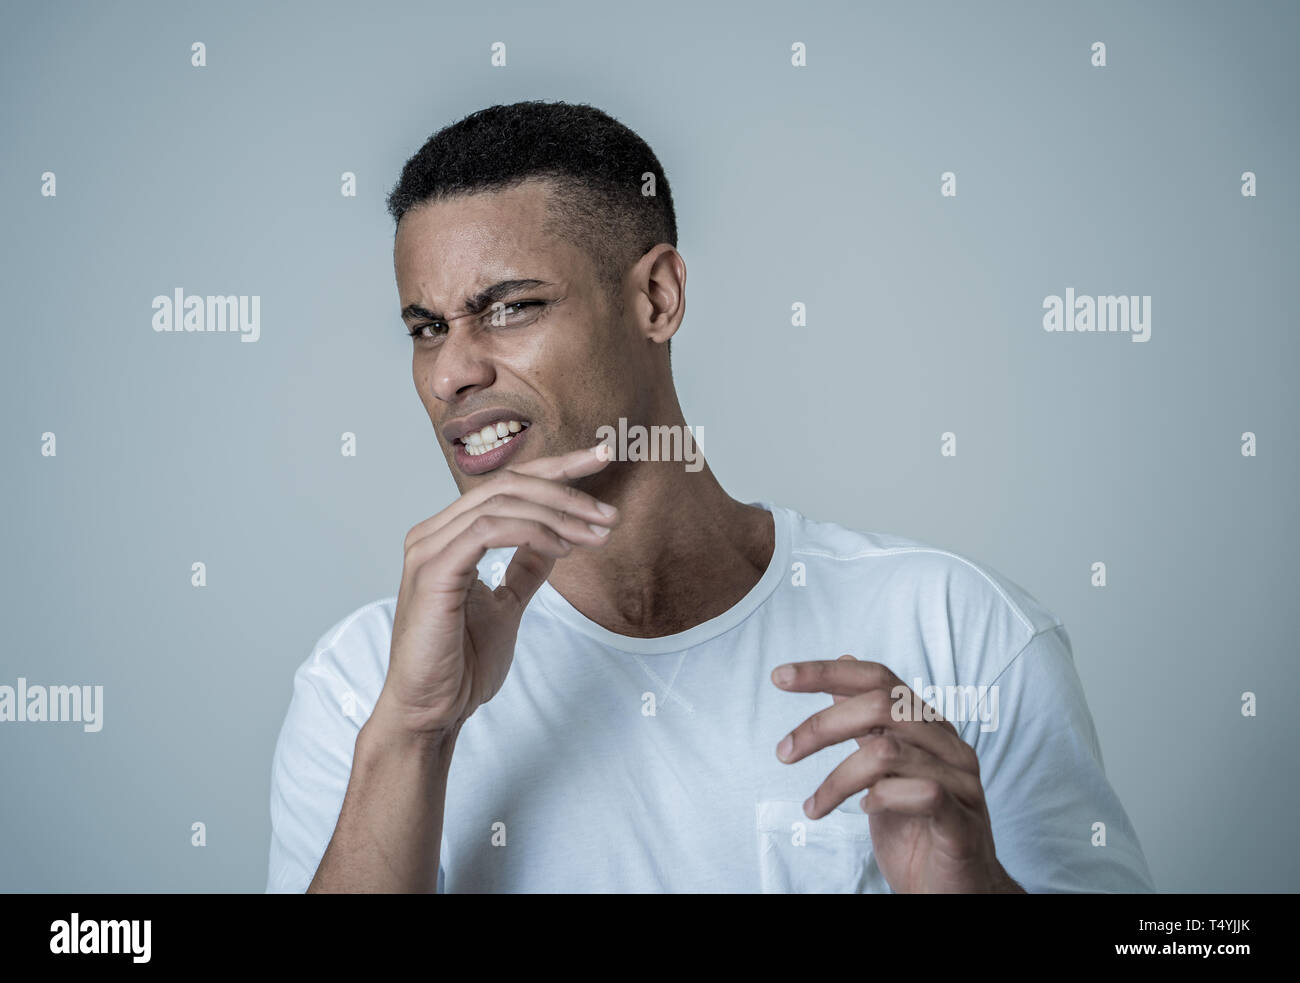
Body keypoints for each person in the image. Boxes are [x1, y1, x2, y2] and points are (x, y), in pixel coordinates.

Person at [265, 100, 1155, 893]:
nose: (453, 371)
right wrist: (415, 732)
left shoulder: (959, 632)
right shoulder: (363, 688)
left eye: (511, 308)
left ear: (656, 297)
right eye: (427, 329)